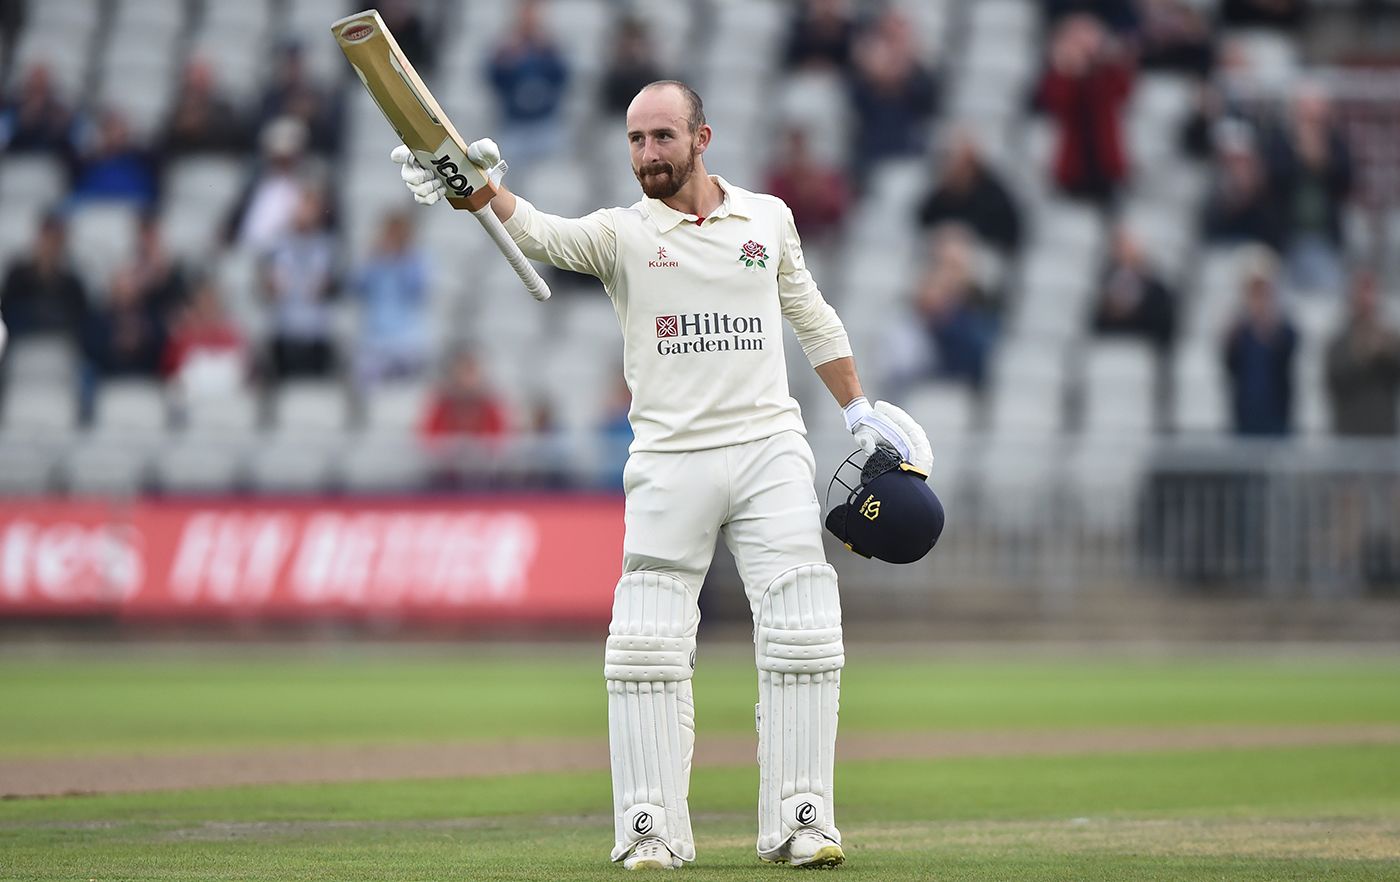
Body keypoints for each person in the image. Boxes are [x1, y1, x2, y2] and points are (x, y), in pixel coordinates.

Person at [392, 79, 932, 870]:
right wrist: (475, 190)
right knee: (645, 646)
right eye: (636, 140)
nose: (647, 154)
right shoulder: (622, 235)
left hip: (767, 445)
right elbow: (539, 232)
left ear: (702, 139)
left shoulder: (767, 219)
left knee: (804, 630)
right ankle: (650, 828)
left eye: (662, 138)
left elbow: (811, 315)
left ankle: (801, 818)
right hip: (669, 456)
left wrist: (856, 410)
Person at [1036, 13, 1134, 207]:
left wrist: (1106, 62)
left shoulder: (1107, 70)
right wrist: (1068, 69)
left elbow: (1124, 91)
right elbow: (1055, 102)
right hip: (1074, 165)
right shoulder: (1060, 73)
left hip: (1106, 162)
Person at [260, 187, 338, 380]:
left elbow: (333, 288)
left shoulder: (327, 247)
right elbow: (266, 287)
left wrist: (326, 286)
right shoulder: (277, 245)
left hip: (316, 333)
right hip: (285, 331)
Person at [351, 211, 431, 388]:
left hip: (407, 339)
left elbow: (417, 289)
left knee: (408, 391)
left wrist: (401, 259)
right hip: (375, 338)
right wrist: (373, 258)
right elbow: (357, 287)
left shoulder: (416, 260)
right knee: (367, 386)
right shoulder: (374, 259)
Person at [916, 128, 1023, 257]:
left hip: (984, 255)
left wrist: (968, 237)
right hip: (943, 254)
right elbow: (924, 222)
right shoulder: (941, 193)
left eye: (962, 161)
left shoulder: (994, 195)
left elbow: (1008, 235)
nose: (955, 166)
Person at [1223, 248, 1297, 436]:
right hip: (1244, 420)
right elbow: (1229, 364)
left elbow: (1287, 355)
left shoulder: (1284, 329)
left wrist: (1266, 325)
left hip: (1278, 419)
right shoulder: (1238, 332)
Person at [1326, 271, 1400, 436]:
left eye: (1370, 292)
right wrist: (1362, 354)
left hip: (1384, 441)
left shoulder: (1389, 340)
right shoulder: (1339, 343)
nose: (1367, 299)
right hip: (1350, 440)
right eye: (1362, 292)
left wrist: (1384, 350)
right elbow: (1335, 380)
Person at [0, 212, 87, 344]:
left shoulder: (72, 283)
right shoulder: (17, 277)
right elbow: (7, 314)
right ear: (38, 239)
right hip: (21, 344)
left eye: (56, 241)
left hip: (61, 347)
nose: (50, 247)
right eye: (47, 239)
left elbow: (81, 322)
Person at [1092, 225, 1176, 351]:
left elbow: (1163, 325)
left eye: (1129, 246)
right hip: (1111, 343)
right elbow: (1095, 322)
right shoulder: (1104, 282)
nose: (1125, 251)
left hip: (1144, 343)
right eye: (1120, 247)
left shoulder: (1156, 288)